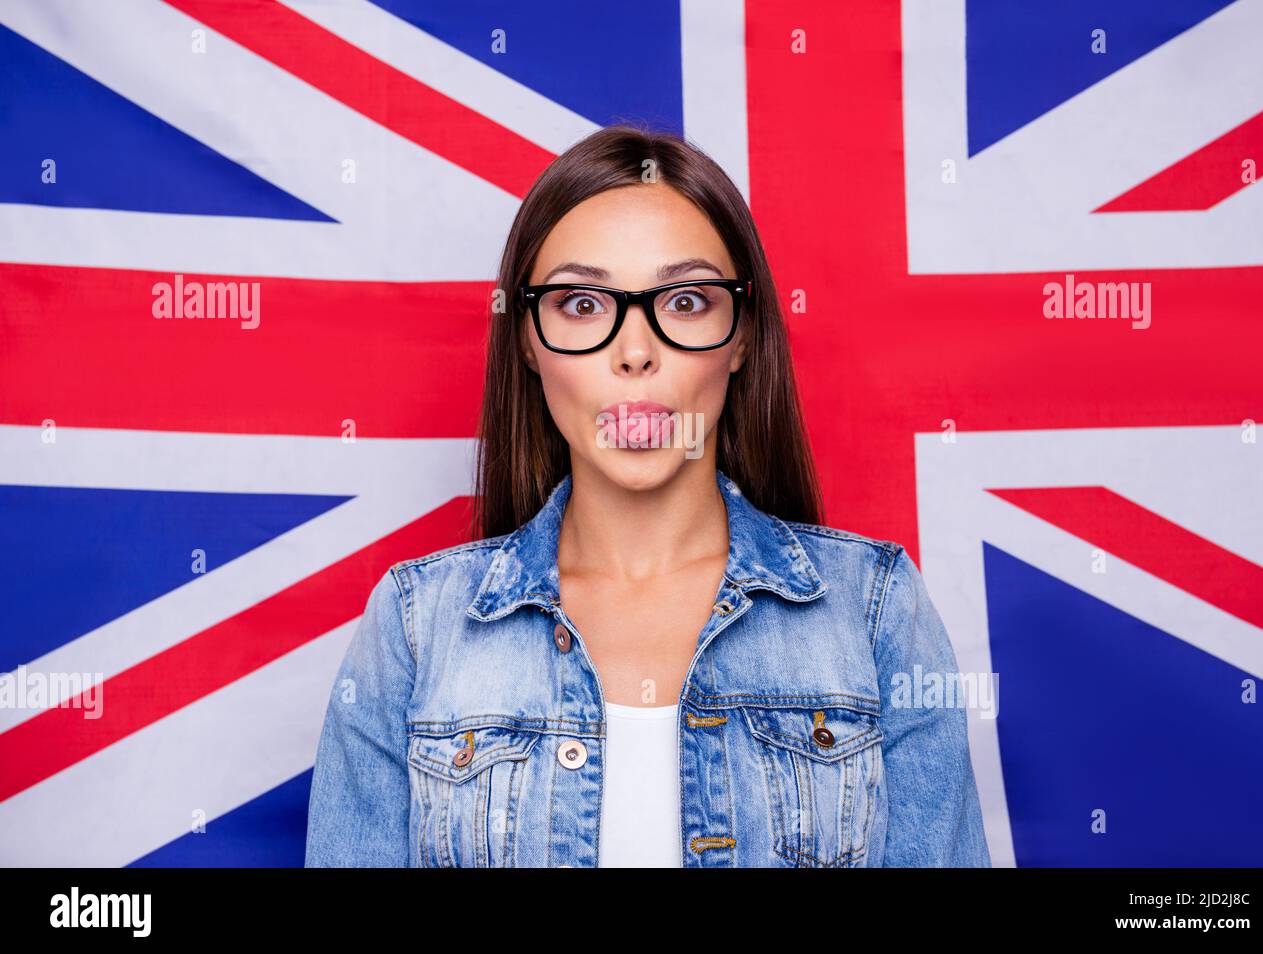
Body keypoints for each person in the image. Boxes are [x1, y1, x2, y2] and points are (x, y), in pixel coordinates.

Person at [305, 123, 991, 868]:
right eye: (583, 305)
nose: (635, 351)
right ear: (528, 341)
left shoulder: (877, 611)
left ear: (741, 335)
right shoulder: (412, 630)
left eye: (686, 301)